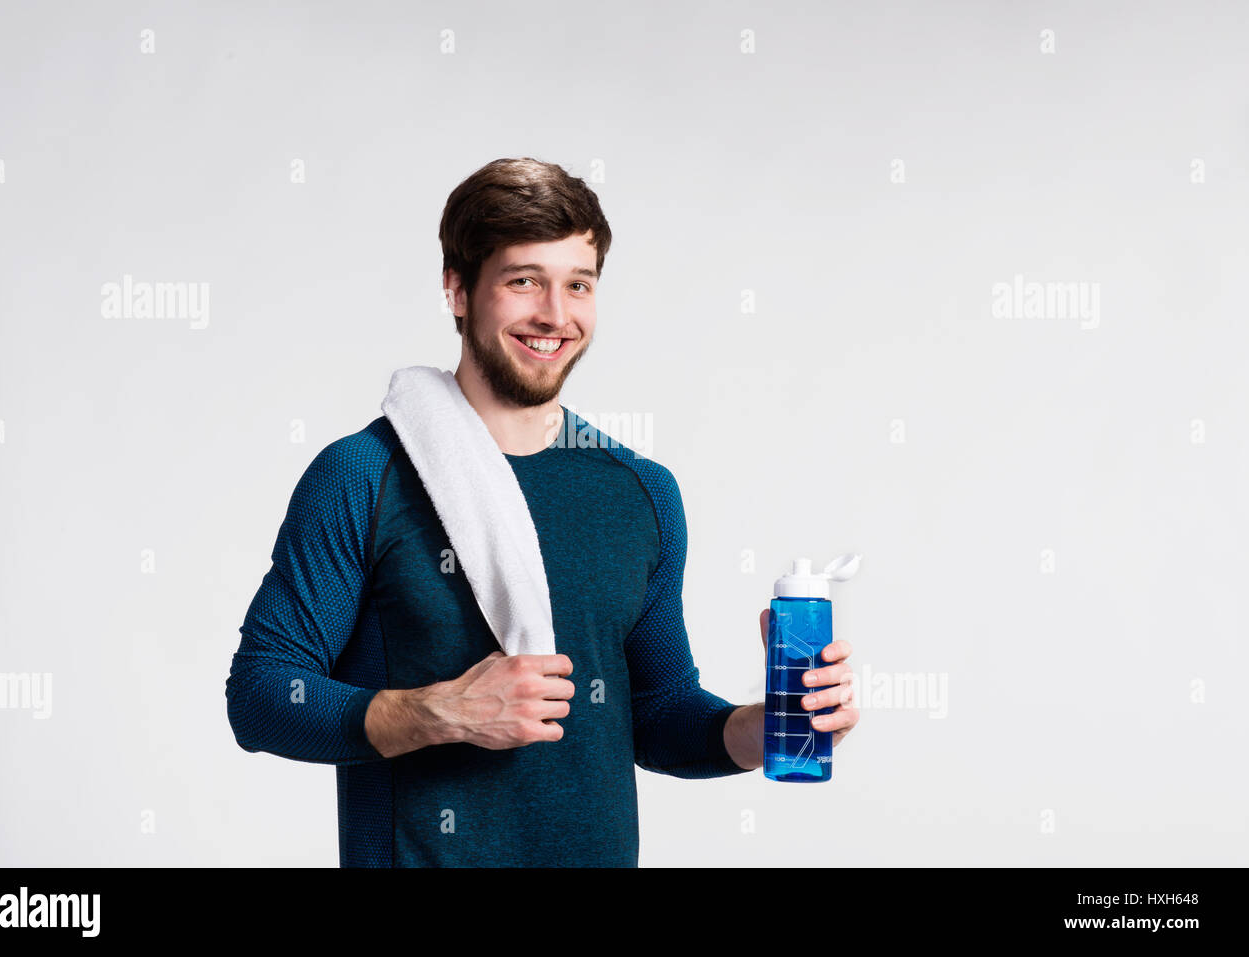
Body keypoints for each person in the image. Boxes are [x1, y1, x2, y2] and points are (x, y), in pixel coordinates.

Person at [225, 157, 859, 867]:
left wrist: (759, 726)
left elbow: (654, 713)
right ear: (458, 290)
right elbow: (260, 694)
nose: (555, 316)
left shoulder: (640, 492)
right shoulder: (363, 476)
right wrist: (440, 712)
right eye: (524, 280)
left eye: (578, 284)